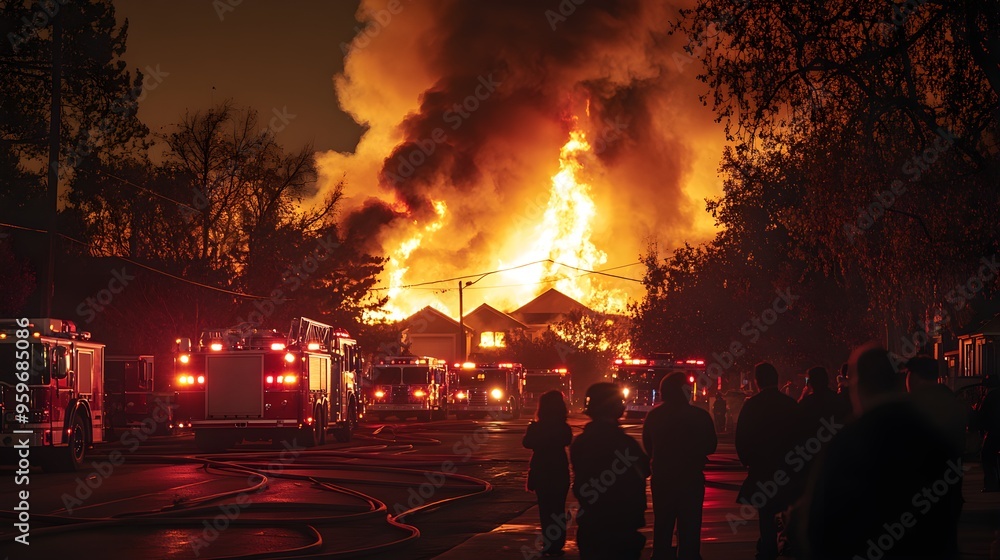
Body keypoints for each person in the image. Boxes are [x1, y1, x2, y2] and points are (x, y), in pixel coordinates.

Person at [802, 344, 961, 559]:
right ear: (898, 381)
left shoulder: (847, 440)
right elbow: (947, 510)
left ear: (858, 386)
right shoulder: (929, 432)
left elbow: (821, 520)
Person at [570, 382, 650, 559]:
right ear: (617, 407)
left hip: (592, 524)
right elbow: (644, 469)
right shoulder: (626, 444)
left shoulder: (581, 442)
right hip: (622, 526)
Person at [643, 372, 718, 560]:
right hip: (690, 478)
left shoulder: (654, 416)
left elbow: (648, 447)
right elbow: (711, 445)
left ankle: (660, 555)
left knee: (663, 524)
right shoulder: (700, 416)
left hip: (663, 478)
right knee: (690, 526)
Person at [735, 362, 801, 560]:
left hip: (762, 469)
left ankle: (768, 549)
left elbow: (742, 437)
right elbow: (801, 436)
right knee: (788, 510)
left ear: (757, 382)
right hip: (787, 468)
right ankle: (789, 545)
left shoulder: (752, 405)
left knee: (766, 515)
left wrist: (746, 460)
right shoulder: (789, 404)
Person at [522, 390, 573, 557]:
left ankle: (549, 542)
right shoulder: (563, 427)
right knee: (558, 507)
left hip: (542, 469)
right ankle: (558, 543)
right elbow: (567, 440)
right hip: (559, 469)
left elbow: (527, 443)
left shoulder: (536, 427)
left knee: (545, 508)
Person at [976, 374, 1000, 492]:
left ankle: (991, 484)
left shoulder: (990, 397)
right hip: (995, 430)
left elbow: (983, 416)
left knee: (987, 457)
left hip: (993, 432)